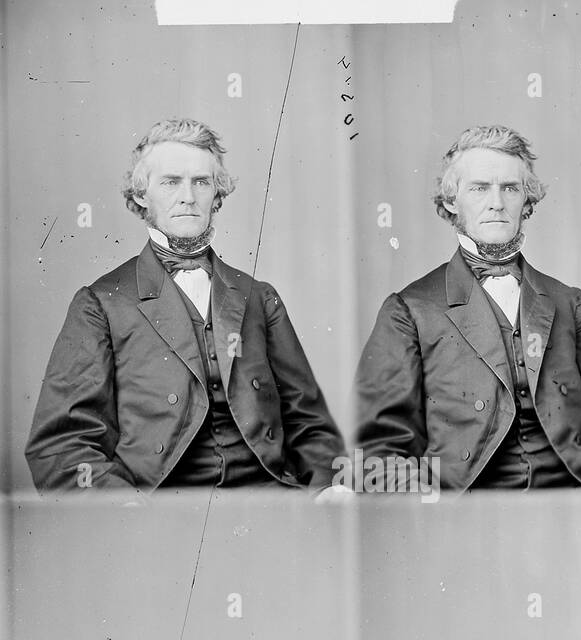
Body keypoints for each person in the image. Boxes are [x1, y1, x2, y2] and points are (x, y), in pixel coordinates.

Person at [26, 118, 346, 496]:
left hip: (266, 504)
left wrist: (328, 487)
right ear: (142, 195)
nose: (188, 197)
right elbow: (61, 445)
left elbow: (309, 423)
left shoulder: (258, 297)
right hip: (157, 512)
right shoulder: (100, 303)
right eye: (170, 182)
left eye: (201, 182)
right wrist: (123, 508)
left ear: (218, 194)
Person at [354, 125, 581, 497]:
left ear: (527, 202)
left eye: (510, 189)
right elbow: (381, 448)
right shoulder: (410, 310)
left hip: (574, 514)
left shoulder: (570, 304)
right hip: (463, 516)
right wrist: (426, 506)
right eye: (480, 188)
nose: (496, 202)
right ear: (452, 201)